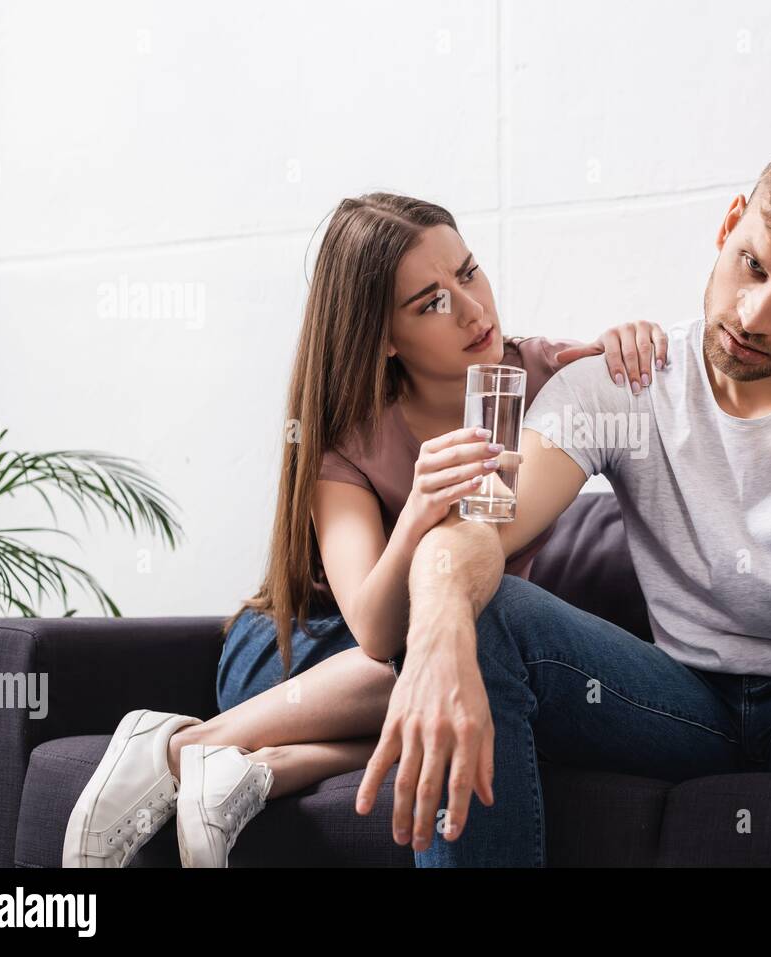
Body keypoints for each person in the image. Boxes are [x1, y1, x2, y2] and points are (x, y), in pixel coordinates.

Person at [356, 115, 771, 867]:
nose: (757, 316)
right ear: (729, 224)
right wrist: (435, 625)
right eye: (752, 265)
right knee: (480, 602)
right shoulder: (629, 380)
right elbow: (486, 525)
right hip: (685, 711)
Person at [62, 192, 671, 868]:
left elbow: (623, 387)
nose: (472, 310)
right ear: (383, 337)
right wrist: (415, 513)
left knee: (487, 689)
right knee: (451, 663)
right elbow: (380, 631)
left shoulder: (539, 379)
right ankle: (181, 745)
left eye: (468, 272)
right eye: (430, 303)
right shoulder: (348, 438)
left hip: (441, 651)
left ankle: (264, 767)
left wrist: (632, 343)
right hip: (305, 653)